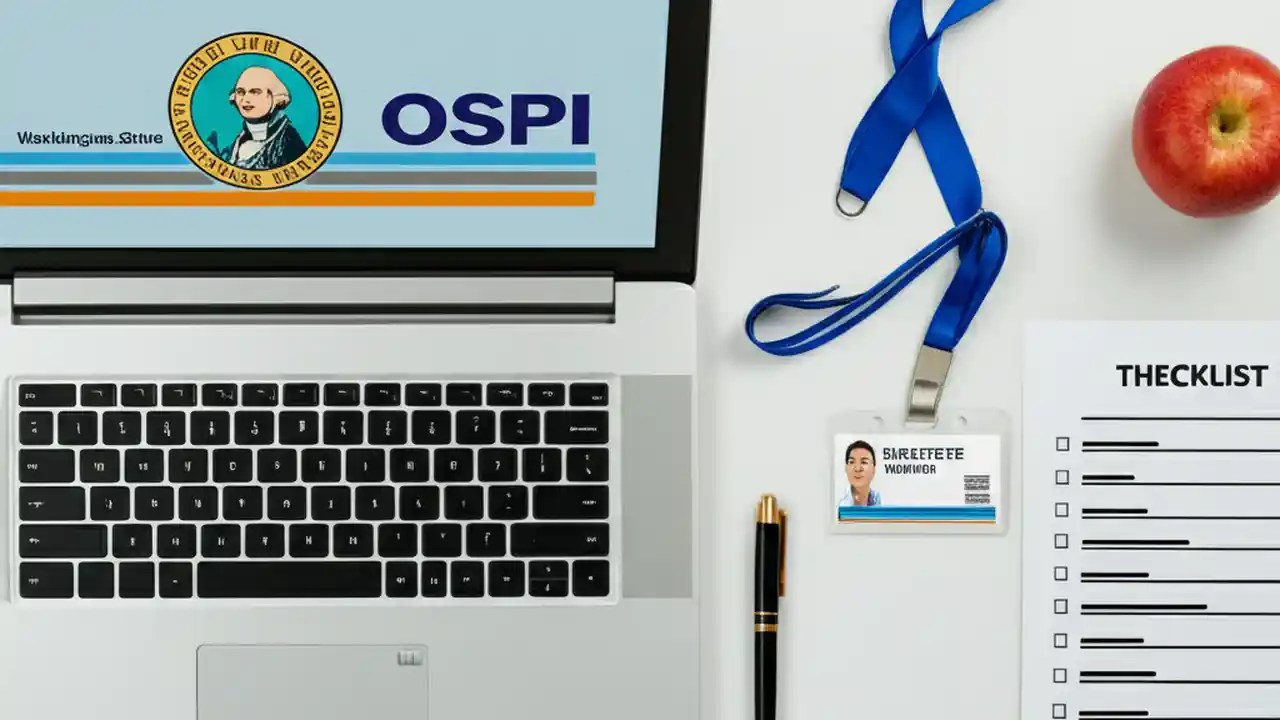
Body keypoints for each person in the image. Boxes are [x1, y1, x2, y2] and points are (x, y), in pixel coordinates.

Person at [212, 66, 308, 170]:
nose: (246, 99)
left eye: (255, 92)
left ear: (274, 97)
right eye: (240, 92)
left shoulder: (288, 140)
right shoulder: (238, 141)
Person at [838, 440, 882, 507]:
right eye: (852, 462)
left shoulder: (876, 498)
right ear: (846, 468)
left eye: (864, 462)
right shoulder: (839, 503)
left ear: (873, 469)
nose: (858, 469)